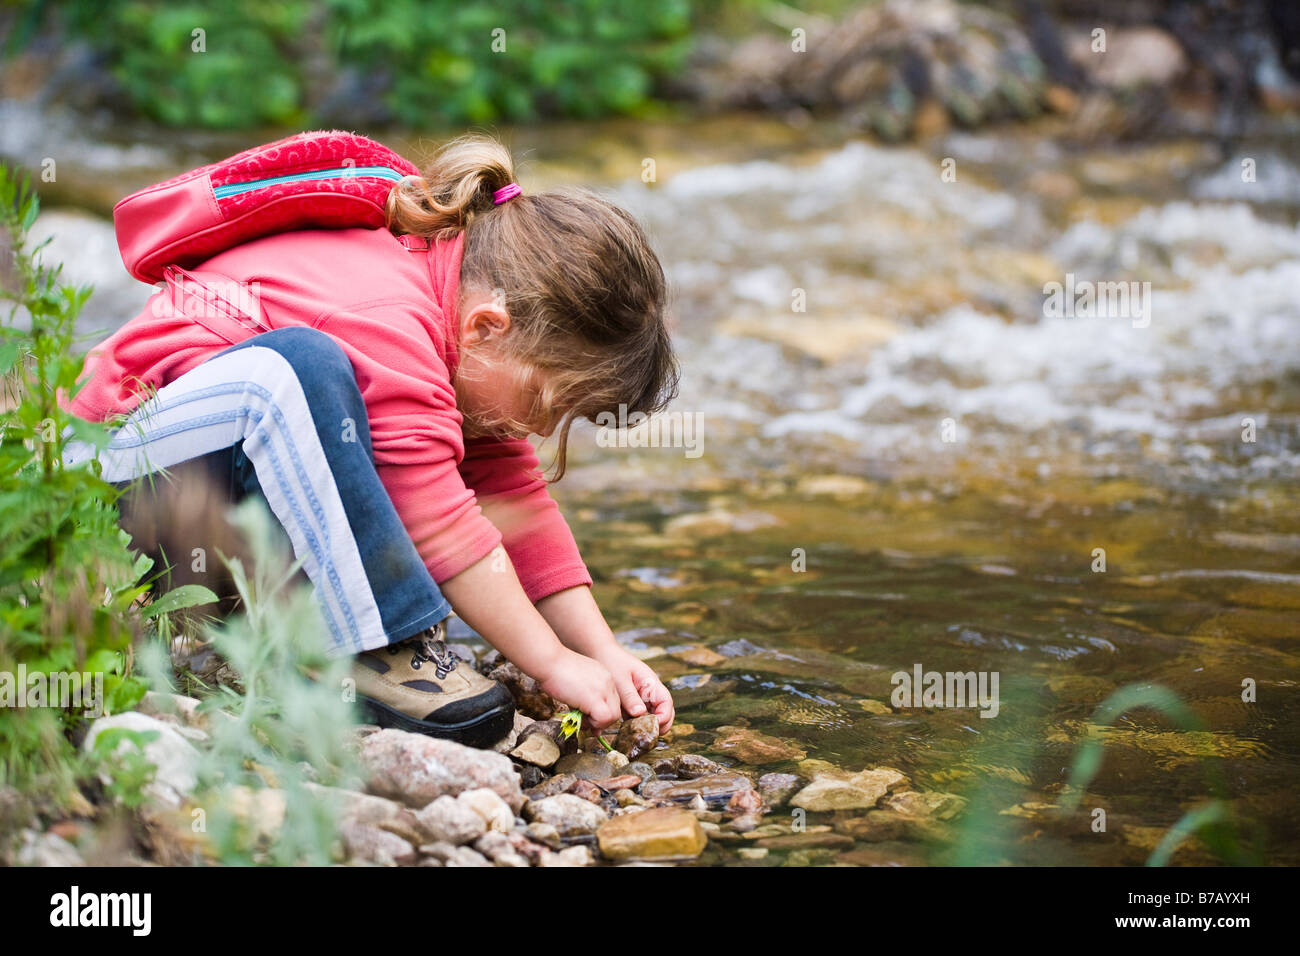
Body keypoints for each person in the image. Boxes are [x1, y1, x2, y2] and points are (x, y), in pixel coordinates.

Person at [62, 133, 678, 749]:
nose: (543, 430)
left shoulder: (454, 321)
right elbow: (441, 521)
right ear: (487, 326)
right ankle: (373, 645)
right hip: (102, 507)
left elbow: (515, 505)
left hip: (201, 504)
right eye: (546, 401)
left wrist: (600, 650)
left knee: (345, 401)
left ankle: (325, 633)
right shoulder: (389, 316)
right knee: (297, 369)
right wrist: (551, 663)